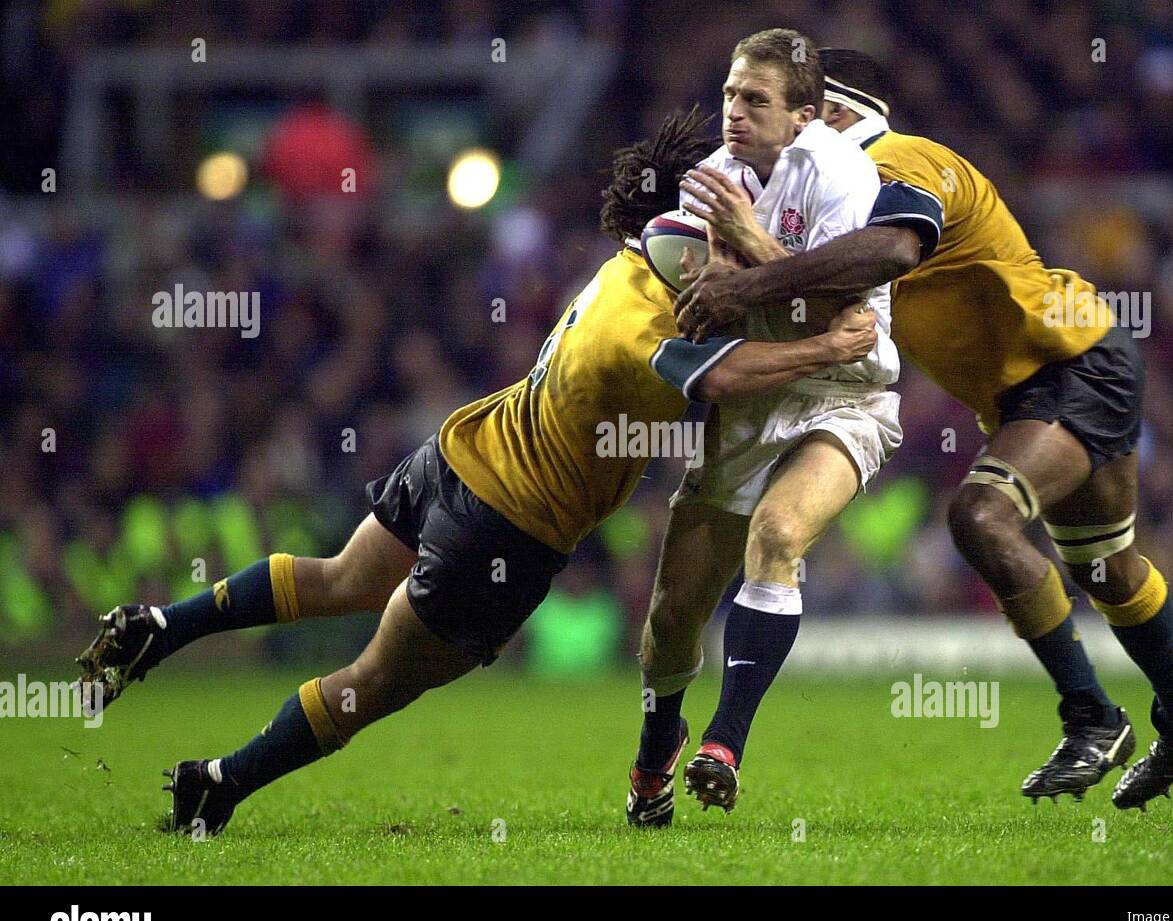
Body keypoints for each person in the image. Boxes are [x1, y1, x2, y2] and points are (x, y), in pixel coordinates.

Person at [75, 107, 880, 836]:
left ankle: (163, 625)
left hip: (462, 450)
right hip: (508, 526)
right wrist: (830, 347)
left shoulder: (627, 269)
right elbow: (728, 374)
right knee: (374, 682)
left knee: (338, 577)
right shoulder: (652, 332)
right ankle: (219, 785)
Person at [670, 48, 1173, 812]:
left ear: (835, 113)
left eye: (796, 108)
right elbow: (831, 293)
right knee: (1105, 565)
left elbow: (894, 248)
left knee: (981, 514)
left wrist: (745, 281)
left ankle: (1093, 718)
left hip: (1071, 360)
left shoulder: (896, 158)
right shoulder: (826, 200)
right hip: (1035, 388)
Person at [625, 30, 911, 823]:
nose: (734, 114)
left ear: (805, 115)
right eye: (728, 94)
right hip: (748, 402)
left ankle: (725, 740)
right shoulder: (707, 185)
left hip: (847, 394)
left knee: (779, 536)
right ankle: (656, 751)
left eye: (755, 100)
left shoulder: (840, 172)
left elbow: (844, 308)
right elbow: (715, 339)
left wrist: (753, 253)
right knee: (671, 622)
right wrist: (758, 289)